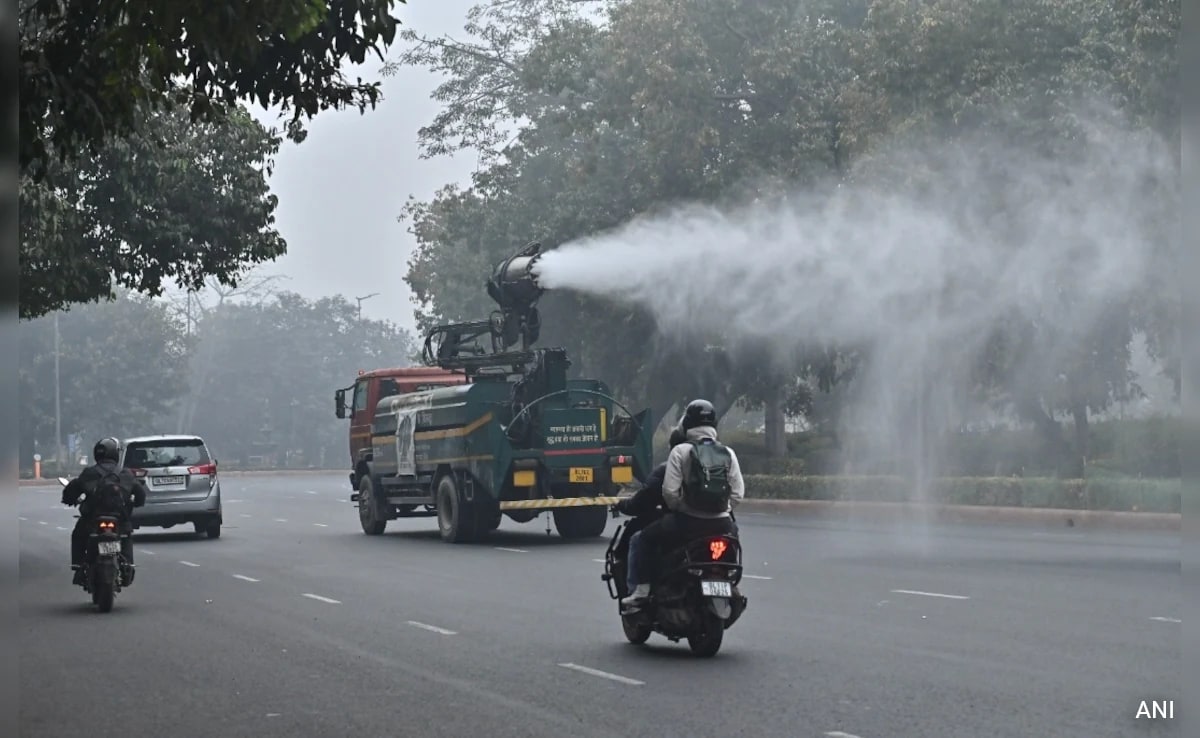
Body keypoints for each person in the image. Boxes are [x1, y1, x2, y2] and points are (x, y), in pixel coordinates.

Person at [621, 399, 744, 610]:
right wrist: (723, 510)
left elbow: (669, 492)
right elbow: (738, 494)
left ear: (686, 424)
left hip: (687, 523)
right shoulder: (728, 453)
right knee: (733, 538)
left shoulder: (680, 451)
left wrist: (682, 508)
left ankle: (641, 591)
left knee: (643, 539)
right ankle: (731, 583)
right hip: (722, 524)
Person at [62, 437, 147, 586]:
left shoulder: (89, 473)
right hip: (120, 519)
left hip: (92, 520)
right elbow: (140, 494)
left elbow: (71, 491)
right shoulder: (125, 473)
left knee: (78, 534)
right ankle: (128, 565)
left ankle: (78, 565)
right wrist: (136, 502)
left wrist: (69, 499)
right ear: (115, 454)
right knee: (126, 535)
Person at [611, 426, 687, 589]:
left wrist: (622, 504)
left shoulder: (668, 469)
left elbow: (644, 501)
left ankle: (638, 589)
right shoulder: (720, 460)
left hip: (684, 522)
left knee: (638, 540)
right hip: (722, 524)